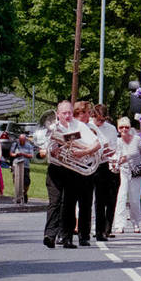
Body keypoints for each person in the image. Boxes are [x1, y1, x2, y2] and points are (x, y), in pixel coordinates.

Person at [43, 99, 100, 249]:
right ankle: (50, 235)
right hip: (55, 168)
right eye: (64, 113)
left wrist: (83, 152)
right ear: (58, 114)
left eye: (69, 112)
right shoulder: (51, 127)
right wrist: (51, 151)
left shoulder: (79, 126)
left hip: (72, 170)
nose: (68, 115)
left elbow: (97, 143)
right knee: (54, 203)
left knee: (68, 203)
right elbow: (42, 150)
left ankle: (67, 237)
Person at [114, 117, 141, 233]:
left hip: (137, 173)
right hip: (124, 172)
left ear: (130, 128)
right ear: (118, 129)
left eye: (126, 127)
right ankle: (120, 224)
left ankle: (136, 222)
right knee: (121, 197)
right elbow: (115, 159)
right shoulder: (117, 142)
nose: (124, 129)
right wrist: (120, 161)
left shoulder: (137, 140)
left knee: (134, 199)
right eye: (121, 127)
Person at [91, 105, 120, 241]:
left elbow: (113, 148)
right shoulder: (88, 126)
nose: (100, 123)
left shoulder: (111, 129)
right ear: (93, 116)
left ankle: (100, 231)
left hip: (102, 164)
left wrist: (108, 150)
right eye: (98, 120)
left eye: (103, 120)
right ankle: (83, 230)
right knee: (85, 200)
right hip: (88, 163)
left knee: (101, 200)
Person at [72, 102, 99, 244]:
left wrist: (86, 151)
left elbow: (99, 144)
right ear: (80, 113)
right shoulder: (71, 126)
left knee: (86, 203)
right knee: (68, 202)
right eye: (88, 113)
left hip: (87, 168)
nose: (90, 116)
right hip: (71, 168)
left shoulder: (91, 128)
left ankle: (84, 235)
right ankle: (65, 232)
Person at [10, 132, 37, 204]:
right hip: (16, 165)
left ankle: (24, 193)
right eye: (20, 139)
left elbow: (31, 155)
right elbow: (11, 153)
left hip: (25, 165)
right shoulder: (15, 144)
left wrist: (23, 154)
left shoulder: (29, 146)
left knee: (27, 182)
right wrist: (16, 154)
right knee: (16, 180)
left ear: (25, 140)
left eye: (23, 140)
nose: (21, 141)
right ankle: (17, 195)